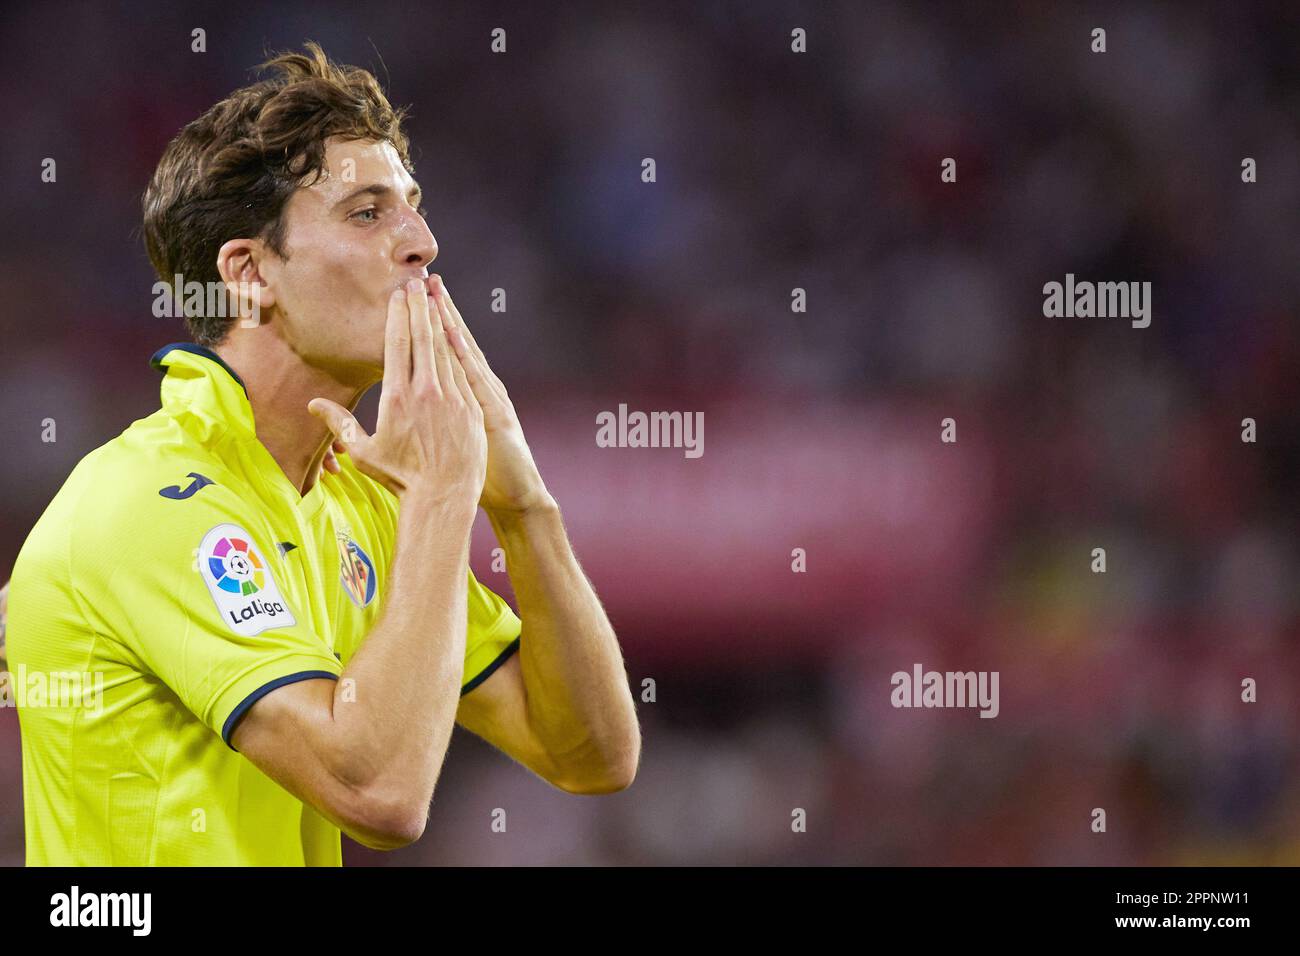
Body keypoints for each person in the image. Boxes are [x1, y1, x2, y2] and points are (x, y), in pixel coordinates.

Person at [3, 43, 639, 866]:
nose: (424, 242)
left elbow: (591, 756)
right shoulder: (152, 499)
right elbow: (378, 796)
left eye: (412, 205)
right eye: (367, 212)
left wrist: (525, 512)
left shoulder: (357, 499)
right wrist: (444, 497)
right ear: (248, 273)